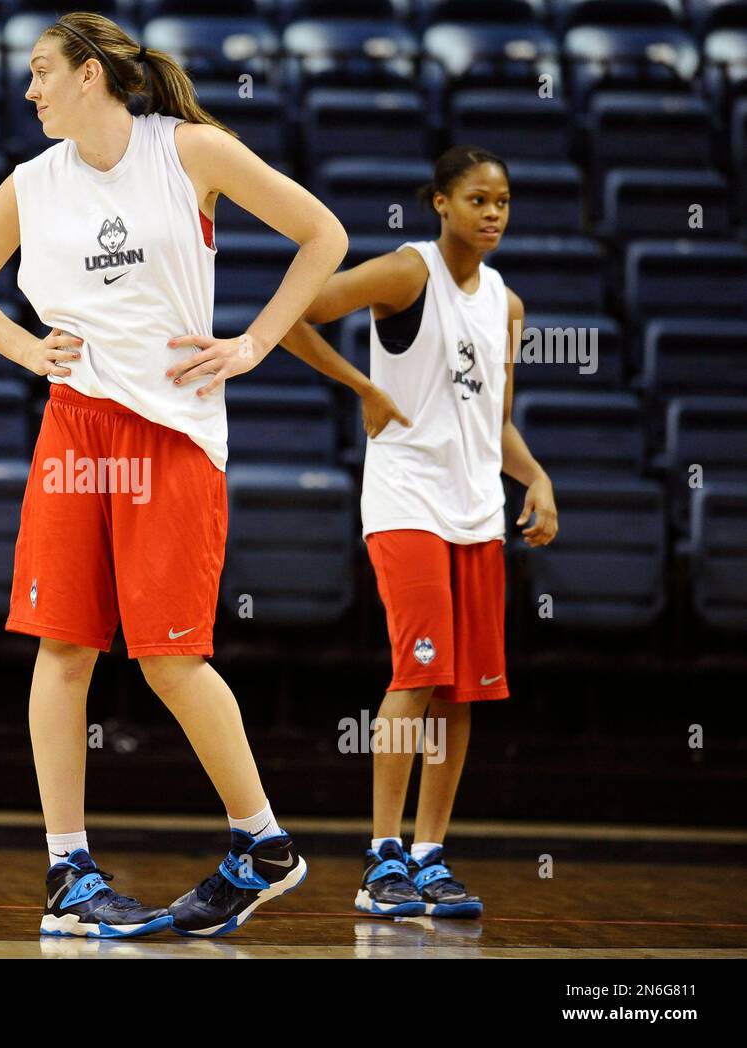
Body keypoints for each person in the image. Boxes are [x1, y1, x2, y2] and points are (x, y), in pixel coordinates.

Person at [0, 12, 348, 937]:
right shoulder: (30, 184)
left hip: (172, 433)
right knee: (63, 647)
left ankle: (264, 845)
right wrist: (29, 350)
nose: (31, 89)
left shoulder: (190, 151)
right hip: (74, 429)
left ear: (92, 74)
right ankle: (68, 871)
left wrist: (250, 346)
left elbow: (322, 234)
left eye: (43, 72)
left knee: (169, 656)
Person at [279, 145, 559, 917]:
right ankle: (381, 861)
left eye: (502, 201)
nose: (493, 213)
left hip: (476, 513)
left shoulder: (506, 305)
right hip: (406, 505)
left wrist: (533, 475)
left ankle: (431, 855)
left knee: (461, 694)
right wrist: (362, 385)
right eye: (477, 199)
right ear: (440, 203)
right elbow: (296, 314)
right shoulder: (408, 272)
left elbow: (493, 421)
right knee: (419, 675)